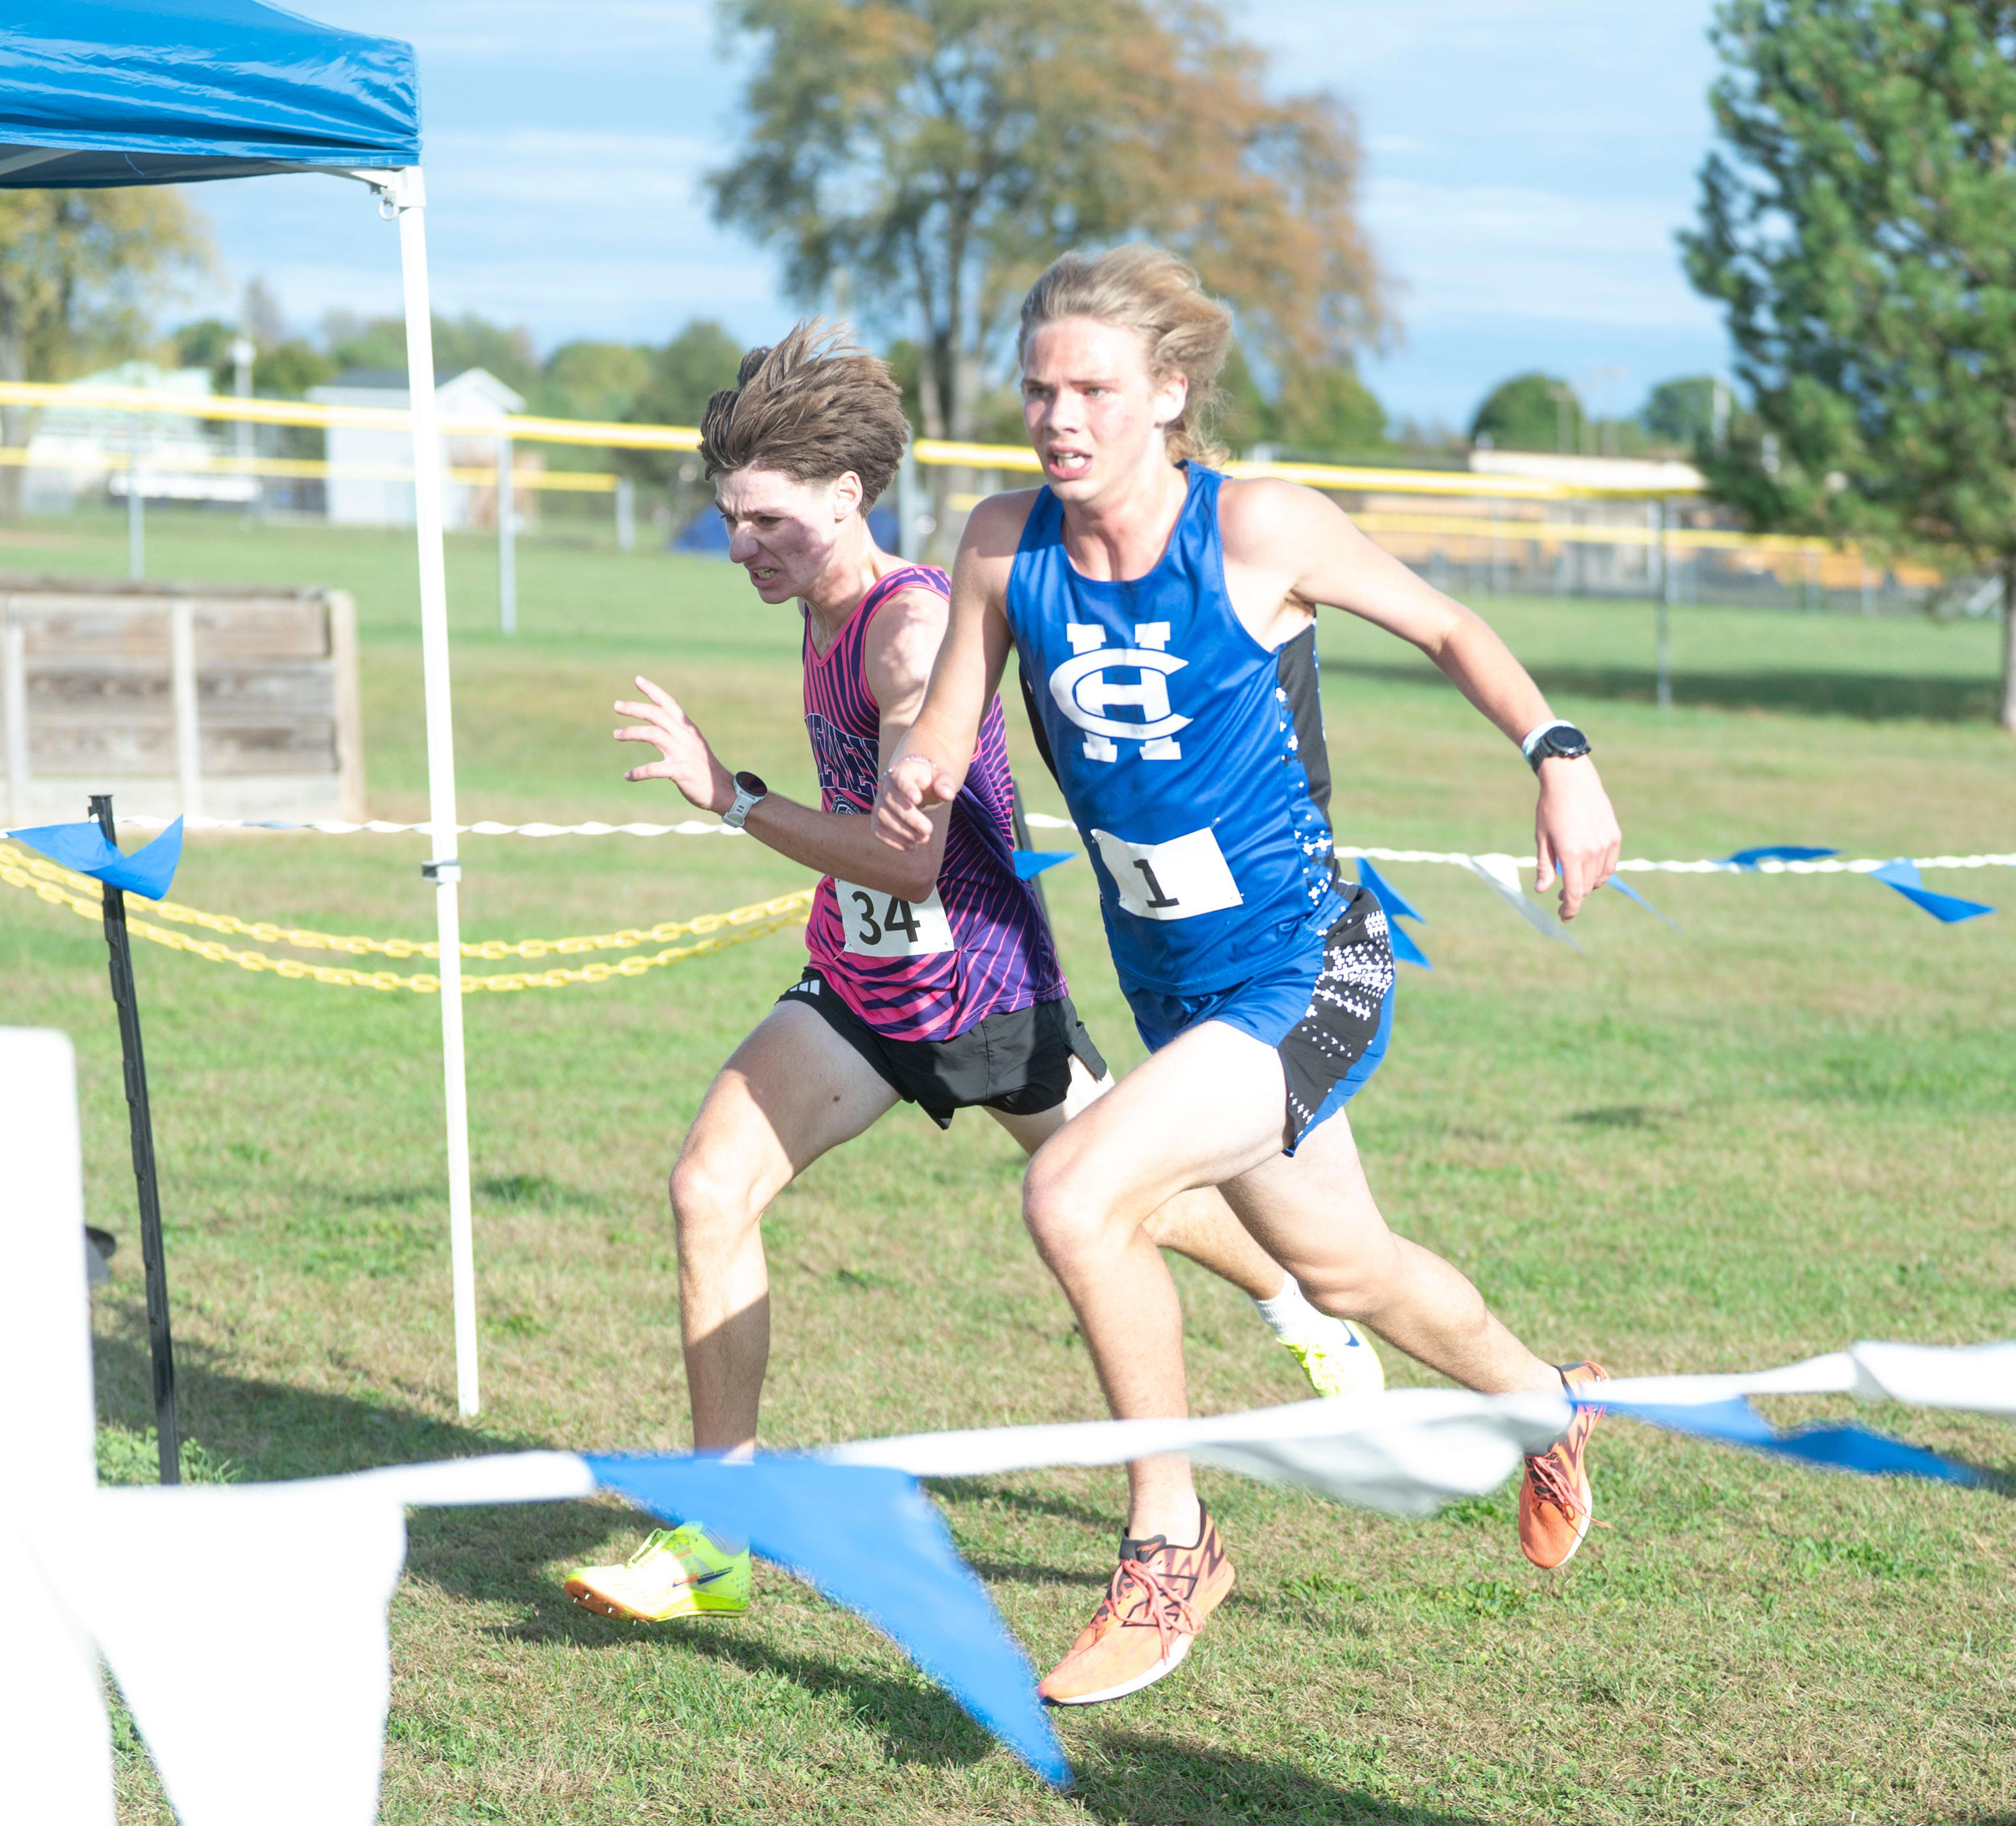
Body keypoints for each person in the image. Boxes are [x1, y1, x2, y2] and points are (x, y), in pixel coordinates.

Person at [872, 246, 1625, 1706]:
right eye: (1039, 390)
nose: (1059, 417)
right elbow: (949, 722)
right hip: (1170, 984)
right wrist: (911, 775)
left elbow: (1454, 629)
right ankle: (1548, 1404)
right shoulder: (996, 543)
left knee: (1077, 1192)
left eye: (1091, 387)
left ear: (1168, 393)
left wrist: (1561, 759)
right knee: (1347, 1269)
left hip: (1303, 963)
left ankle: (1173, 1540)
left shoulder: (1259, 525)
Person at [563, 321, 1382, 1628]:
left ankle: (1301, 1298)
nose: (740, 550)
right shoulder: (824, 606)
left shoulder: (904, 633)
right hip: (864, 990)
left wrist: (730, 800)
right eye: (727, 522)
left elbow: (906, 861)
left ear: (846, 501)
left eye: (765, 522)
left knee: (1137, 1203)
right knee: (710, 1186)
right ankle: (719, 1532)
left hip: (982, 992)